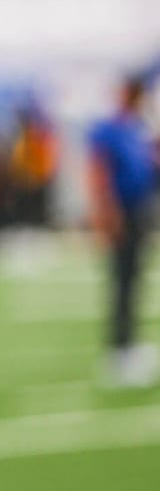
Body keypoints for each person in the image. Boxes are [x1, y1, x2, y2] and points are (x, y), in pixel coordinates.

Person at [88, 74, 159, 388]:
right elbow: (99, 172)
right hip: (121, 213)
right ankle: (119, 351)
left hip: (138, 212)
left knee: (134, 281)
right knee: (122, 282)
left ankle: (128, 345)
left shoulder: (138, 128)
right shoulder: (110, 129)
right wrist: (106, 214)